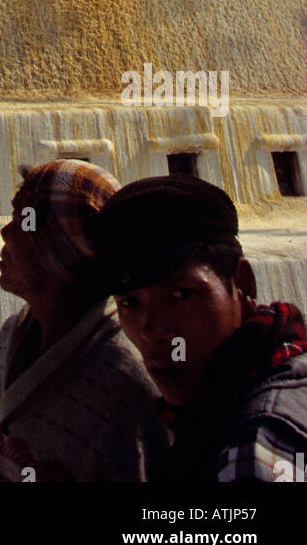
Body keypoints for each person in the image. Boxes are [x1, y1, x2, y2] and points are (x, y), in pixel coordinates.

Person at [88, 176, 307, 482]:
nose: (151, 330)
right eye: (129, 303)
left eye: (181, 294)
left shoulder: (257, 448)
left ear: (242, 284)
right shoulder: (219, 412)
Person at [0, 159, 172, 482]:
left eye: (23, 220)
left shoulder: (124, 383)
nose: (5, 231)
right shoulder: (8, 340)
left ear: (59, 249)